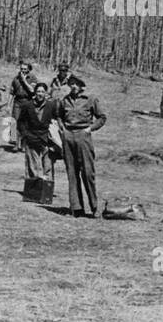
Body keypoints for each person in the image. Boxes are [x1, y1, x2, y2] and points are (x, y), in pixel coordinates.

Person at [53, 73, 107, 218]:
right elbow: (58, 115)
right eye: (71, 83)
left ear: (81, 85)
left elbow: (102, 117)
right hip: (68, 137)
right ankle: (76, 208)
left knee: (88, 172)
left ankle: (95, 207)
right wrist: (62, 129)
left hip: (83, 136)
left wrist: (90, 129)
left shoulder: (90, 99)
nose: (73, 86)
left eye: (76, 83)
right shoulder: (65, 100)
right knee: (72, 172)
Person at [16, 81, 56, 203]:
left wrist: (54, 137)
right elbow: (20, 122)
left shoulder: (51, 106)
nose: (40, 94)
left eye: (42, 91)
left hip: (46, 139)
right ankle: (32, 194)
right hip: (31, 138)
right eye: (38, 91)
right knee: (31, 166)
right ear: (35, 92)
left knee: (48, 166)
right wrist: (25, 135)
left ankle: (47, 194)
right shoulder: (27, 105)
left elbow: (56, 120)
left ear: (46, 93)